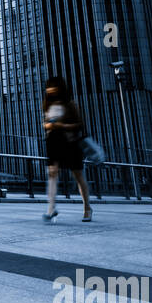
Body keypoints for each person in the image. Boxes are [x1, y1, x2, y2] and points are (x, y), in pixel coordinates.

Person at [42, 76, 94, 223]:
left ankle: (87, 208)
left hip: (70, 143)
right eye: (49, 87)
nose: (50, 90)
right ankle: (51, 209)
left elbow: (79, 125)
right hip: (52, 142)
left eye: (53, 87)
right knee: (52, 173)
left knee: (78, 176)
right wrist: (49, 126)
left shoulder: (70, 104)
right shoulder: (47, 104)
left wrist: (61, 125)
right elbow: (44, 123)